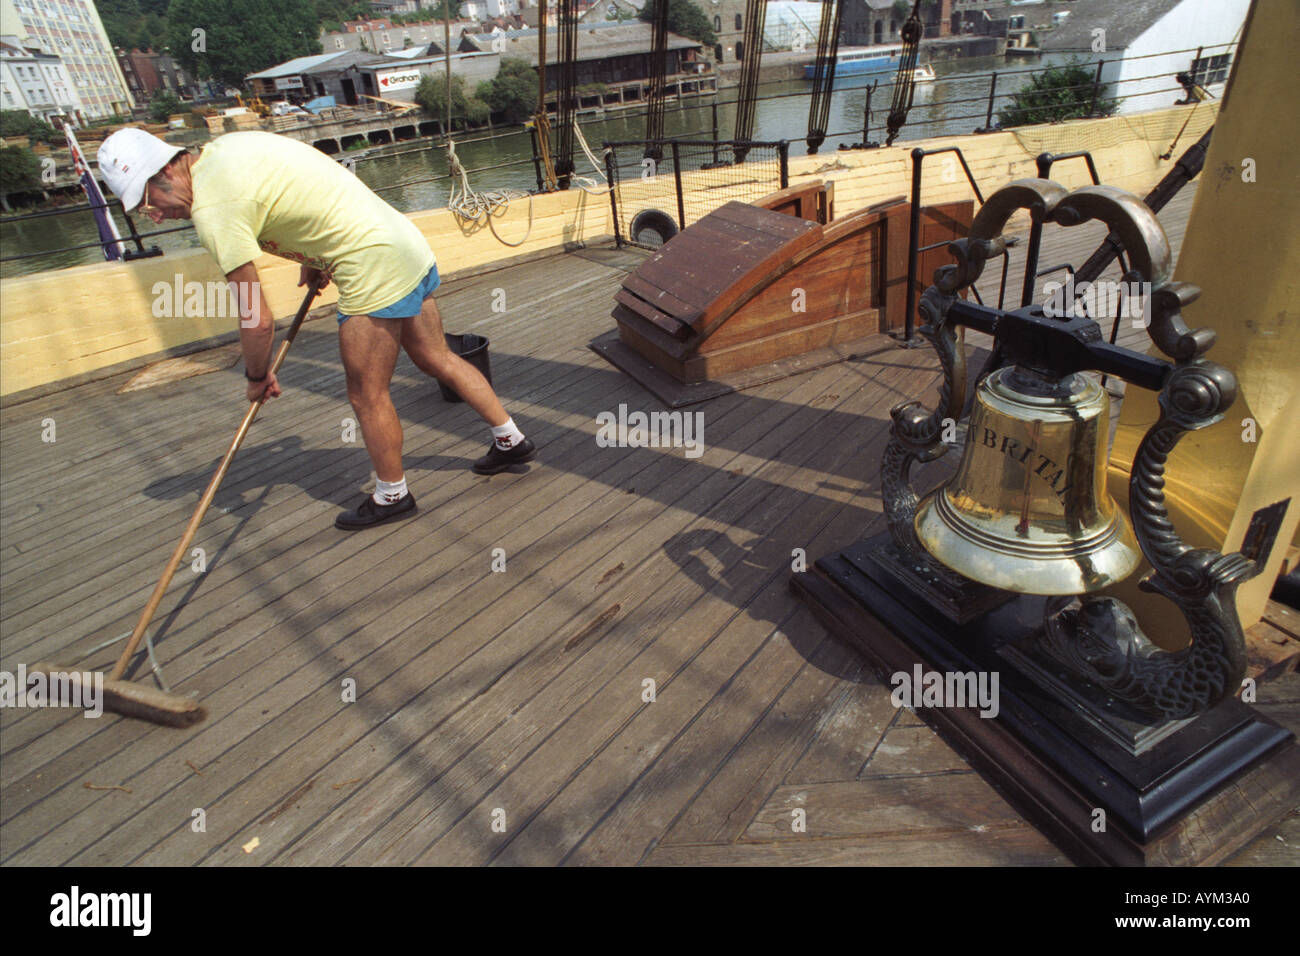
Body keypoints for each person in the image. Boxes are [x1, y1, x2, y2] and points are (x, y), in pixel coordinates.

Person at [97, 128, 536, 531]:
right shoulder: (230, 148)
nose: (153, 216)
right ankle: (510, 439)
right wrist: (315, 255)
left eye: (147, 202)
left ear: (166, 171)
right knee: (437, 357)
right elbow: (308, 189)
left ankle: (392, 496)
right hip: (404, 242)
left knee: (367, 394)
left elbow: (256, 318)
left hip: (372, 264)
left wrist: (255, 376)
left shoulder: (212, 211)